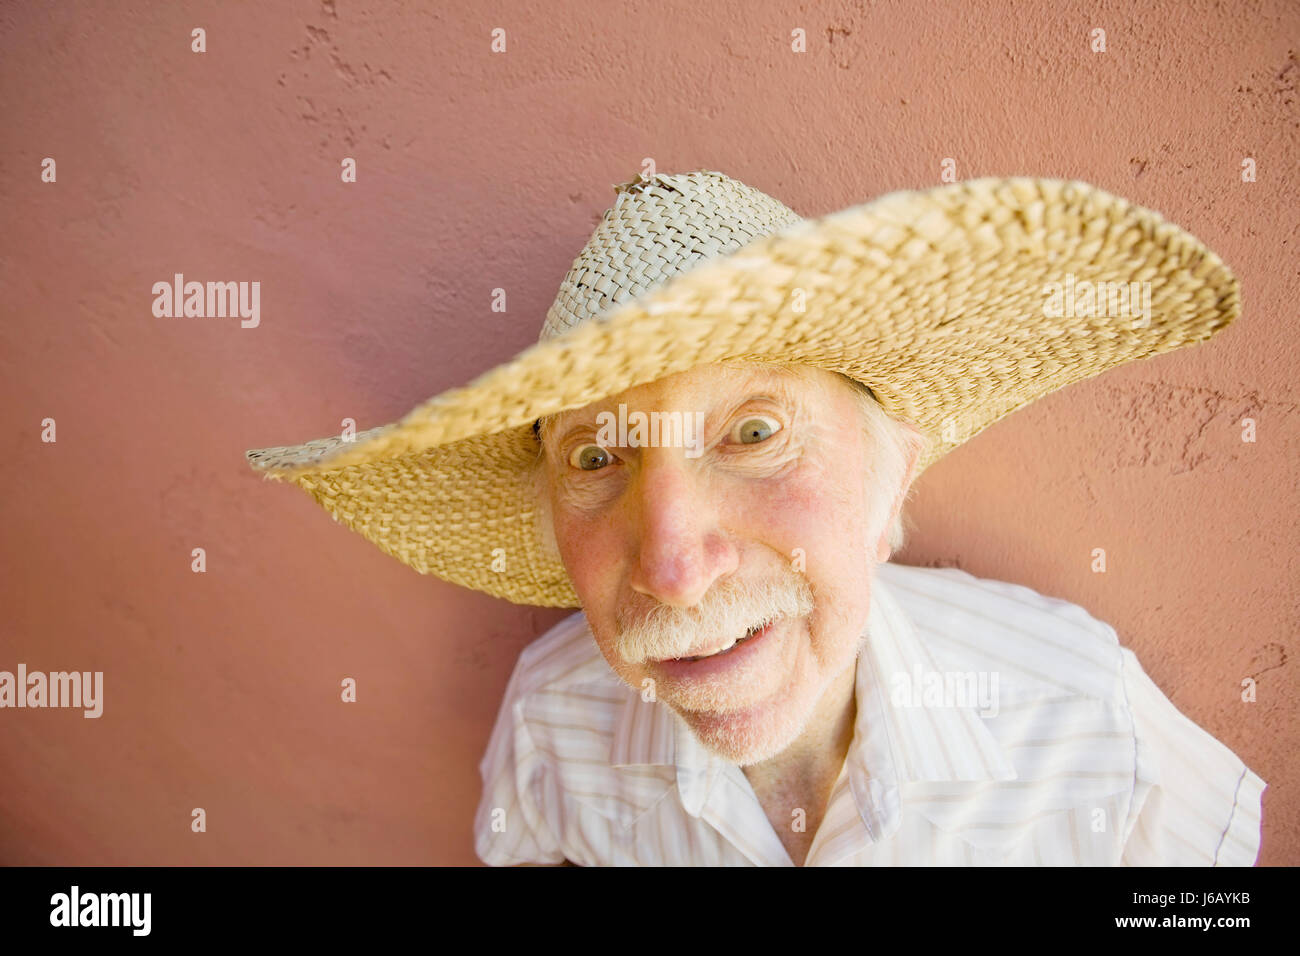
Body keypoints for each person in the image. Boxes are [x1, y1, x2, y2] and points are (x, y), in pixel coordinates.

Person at [246, 170, 1265, 865]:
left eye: (753, 432)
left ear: (889, 479)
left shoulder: (1082, 714)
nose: (674, 568)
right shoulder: (551, 719)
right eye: (596, 457)